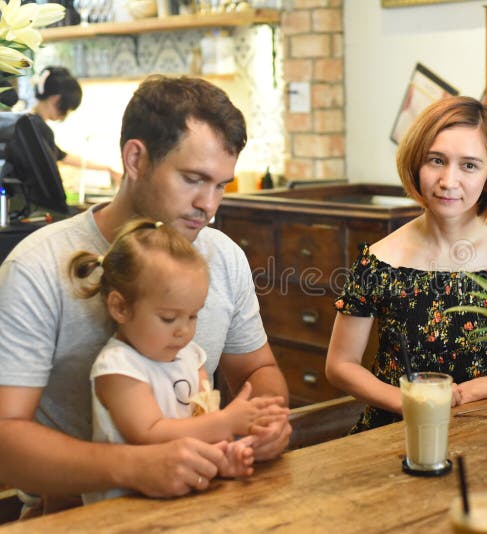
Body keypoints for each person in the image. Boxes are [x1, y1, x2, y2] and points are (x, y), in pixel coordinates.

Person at [0, 75, 291, 514]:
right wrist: (135, 467)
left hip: (206, 506)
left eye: (220, 185)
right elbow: (6, 441)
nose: (209, 206)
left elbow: (258, 369)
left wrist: (268, 421)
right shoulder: (37, 267)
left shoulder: (224, 256)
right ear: (135, 159)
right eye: (193, 179)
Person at [326, 96, 487, 432]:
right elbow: (340, 365)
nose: (448, 181)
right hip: (392, 432)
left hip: (481, 427)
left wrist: (467, 392)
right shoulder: (379, 261)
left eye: (469, 165)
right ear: (415, 163)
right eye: (436, 160)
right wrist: (410, 401)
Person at [68, 218, 278, 503]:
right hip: (126, 506)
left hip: (184, 495)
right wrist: (224, 422)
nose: (184, 330)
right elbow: (150, 433)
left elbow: (201, 419)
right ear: (120, 307)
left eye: (193, 315)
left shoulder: (190, 356)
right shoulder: (118, 368)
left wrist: (226, 453)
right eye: (168, 318)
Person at [31, 66, 122, 187]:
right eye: (67, 109)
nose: (65, 116)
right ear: (56, 100)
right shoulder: (39, 129)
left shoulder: (30, 124)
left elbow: (63, 157)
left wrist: (107, 168)